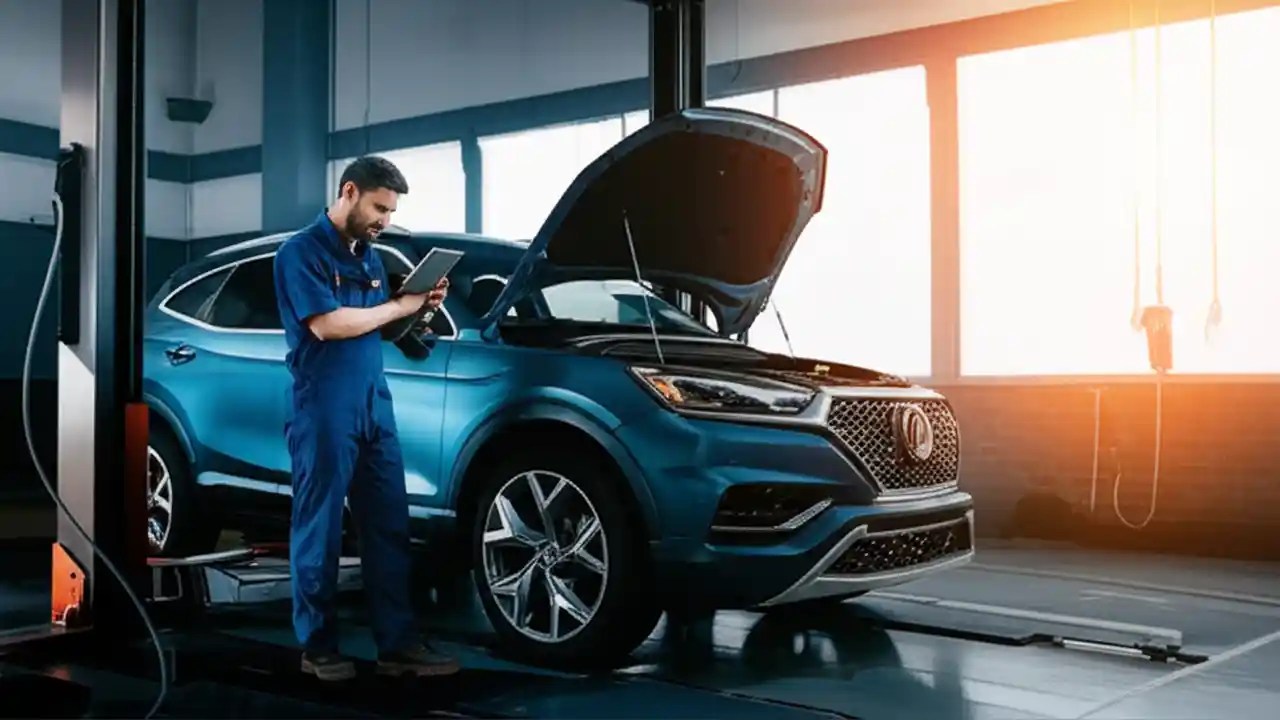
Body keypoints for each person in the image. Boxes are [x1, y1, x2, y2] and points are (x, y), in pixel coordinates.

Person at [272, 155, 458, 682]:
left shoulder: (371, 258)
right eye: (379, 208)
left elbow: (382, 330)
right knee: (320, 530)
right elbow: (327, 325)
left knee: (388, 527)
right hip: (324, 406)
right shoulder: (300, 252)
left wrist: (421, 307)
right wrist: (399, 306)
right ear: (349, 192)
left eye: (391, 211)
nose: (385, 220)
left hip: (374, 403)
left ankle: (397, 646)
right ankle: (318, 647)